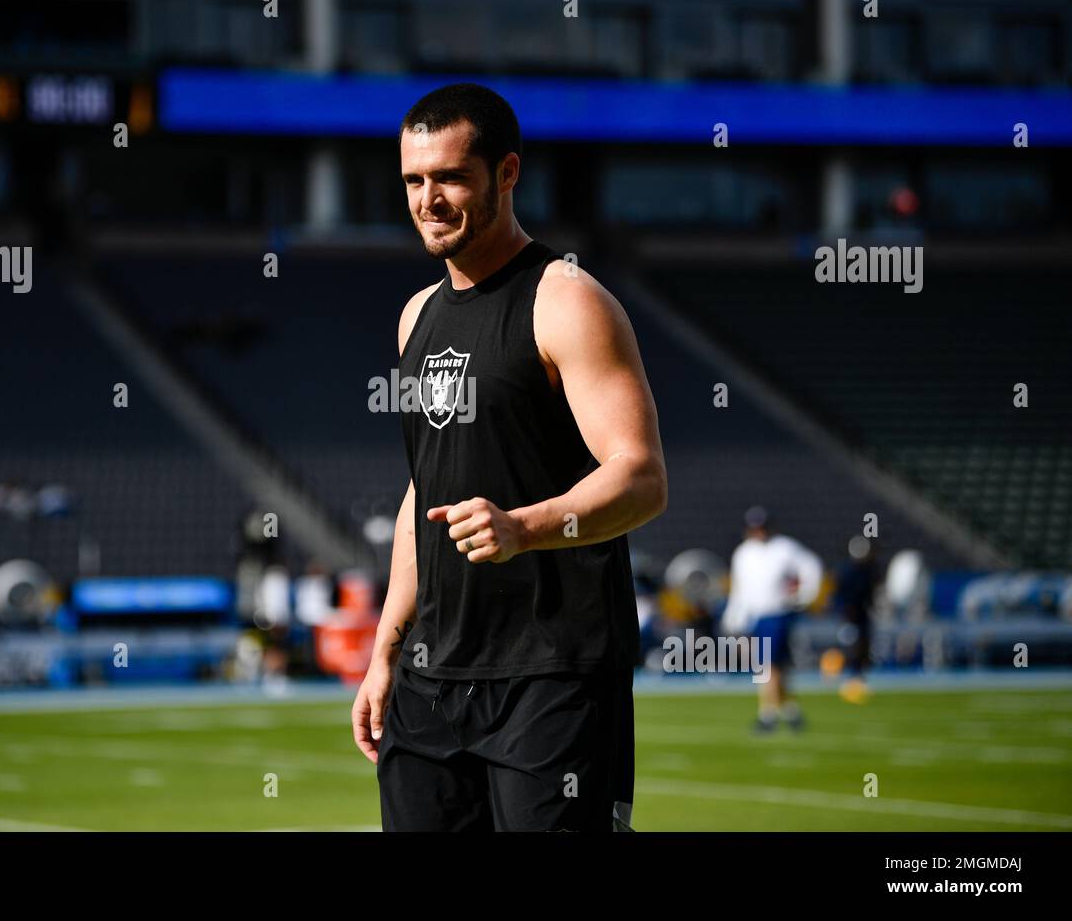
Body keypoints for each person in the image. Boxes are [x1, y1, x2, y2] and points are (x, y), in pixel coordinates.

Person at [350, 83, 667, 831]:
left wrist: (524, 527)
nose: (429, 199)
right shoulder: (414, 318)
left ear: (507, 173)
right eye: (414, 181)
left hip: (552, 675)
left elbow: (642, 475)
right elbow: (419, 495)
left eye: (451, 177)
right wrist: (385, 649)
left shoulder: (567, 301)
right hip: (431, 677)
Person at [720, 506, 822, 733]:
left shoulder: (784, 547)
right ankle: (791, 711)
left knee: (767, 665)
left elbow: (811, 567)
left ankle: (767, 714)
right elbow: (740, 590)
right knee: (776, 666)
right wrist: (734, 617)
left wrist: (804, 595)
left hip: (777, 613)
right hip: (756, 616)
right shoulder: (743, 553)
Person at [833, 535, 878, 704]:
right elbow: (841, 595)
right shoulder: (847, 571)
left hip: (863, 614)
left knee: (864, 647)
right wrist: (845, 613)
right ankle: (849, 678)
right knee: (852, 647)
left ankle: (859, 678)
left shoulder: (870, 569)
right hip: (849, 615)